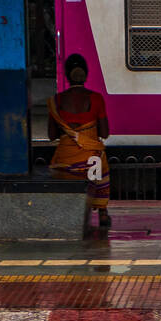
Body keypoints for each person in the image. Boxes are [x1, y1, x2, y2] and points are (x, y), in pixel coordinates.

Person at [47, 53, 112, 227]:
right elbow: (105, 133)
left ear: (67, 75)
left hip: (64, 164)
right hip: (90, 163)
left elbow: (51, 135)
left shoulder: (56, 101)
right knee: (100, 160)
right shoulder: (96, 99)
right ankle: (103, 213)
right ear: (86, 74)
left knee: (59, 165)